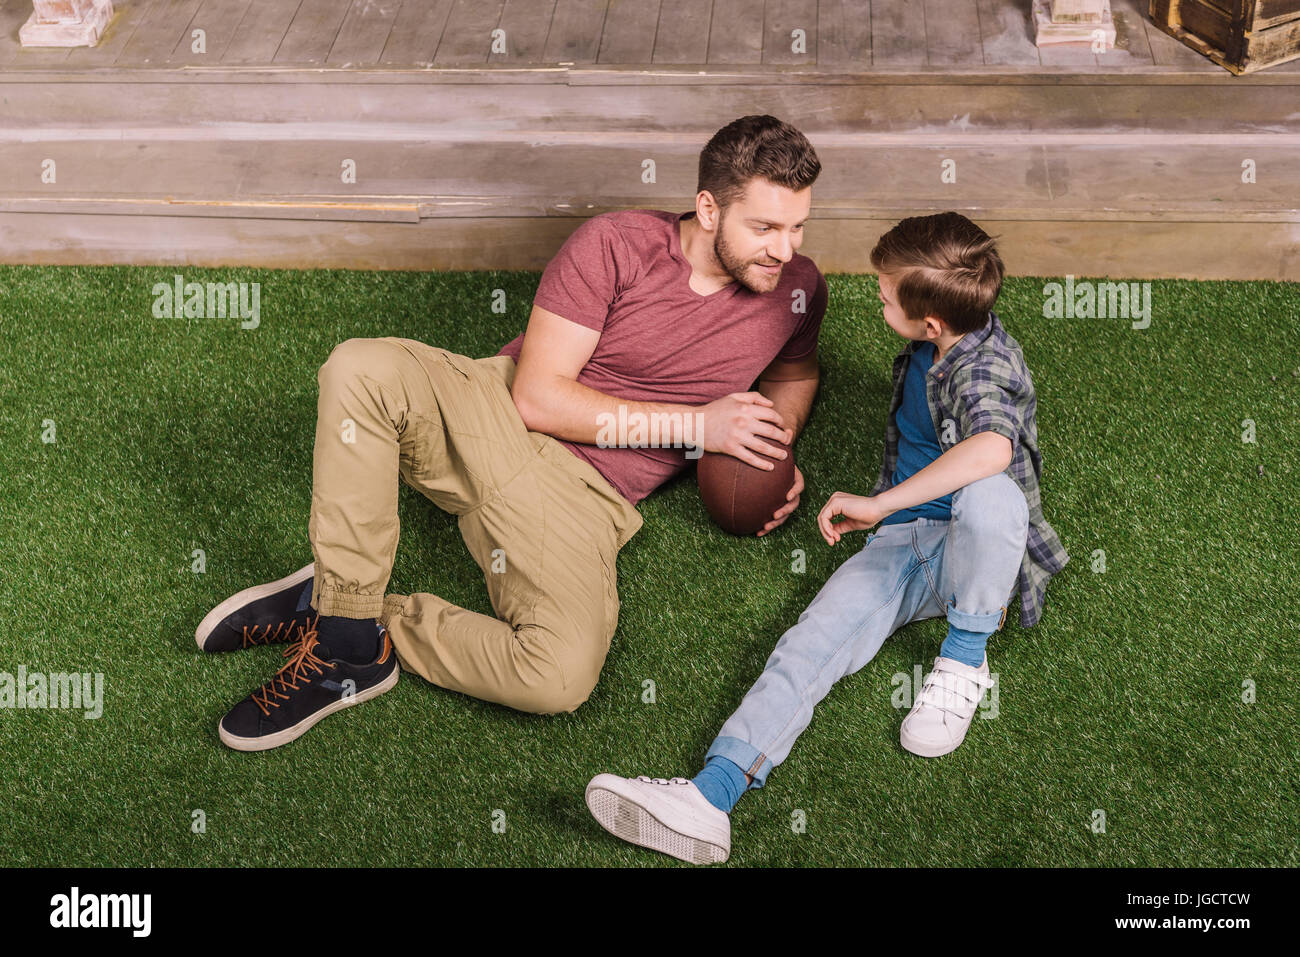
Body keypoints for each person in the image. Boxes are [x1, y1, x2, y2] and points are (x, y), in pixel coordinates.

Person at [193, 115, 829, 752]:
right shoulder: (617, 244)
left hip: (588, 495)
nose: (784, 248)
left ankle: (348, 610)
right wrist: (699, 426)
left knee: (557, 676)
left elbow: (796, 370)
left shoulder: (795, 289)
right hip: (492, 416)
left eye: (797, 226)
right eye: (766, 228)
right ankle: (347, 642)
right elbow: (537, 397)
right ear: (709, 209)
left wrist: (776, 439)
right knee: (360, 370)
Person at [584, 212, 1070, 864]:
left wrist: (877, 502)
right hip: (905, 546)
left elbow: (990, 446)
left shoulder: (986, 366)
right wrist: (891, 516)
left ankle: (964, 655)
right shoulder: (939, 341)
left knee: (992, 492)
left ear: (929, 322)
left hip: (974, 554)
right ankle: (711, 797)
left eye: (885, 292)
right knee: (808, 642)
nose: (876, 294)